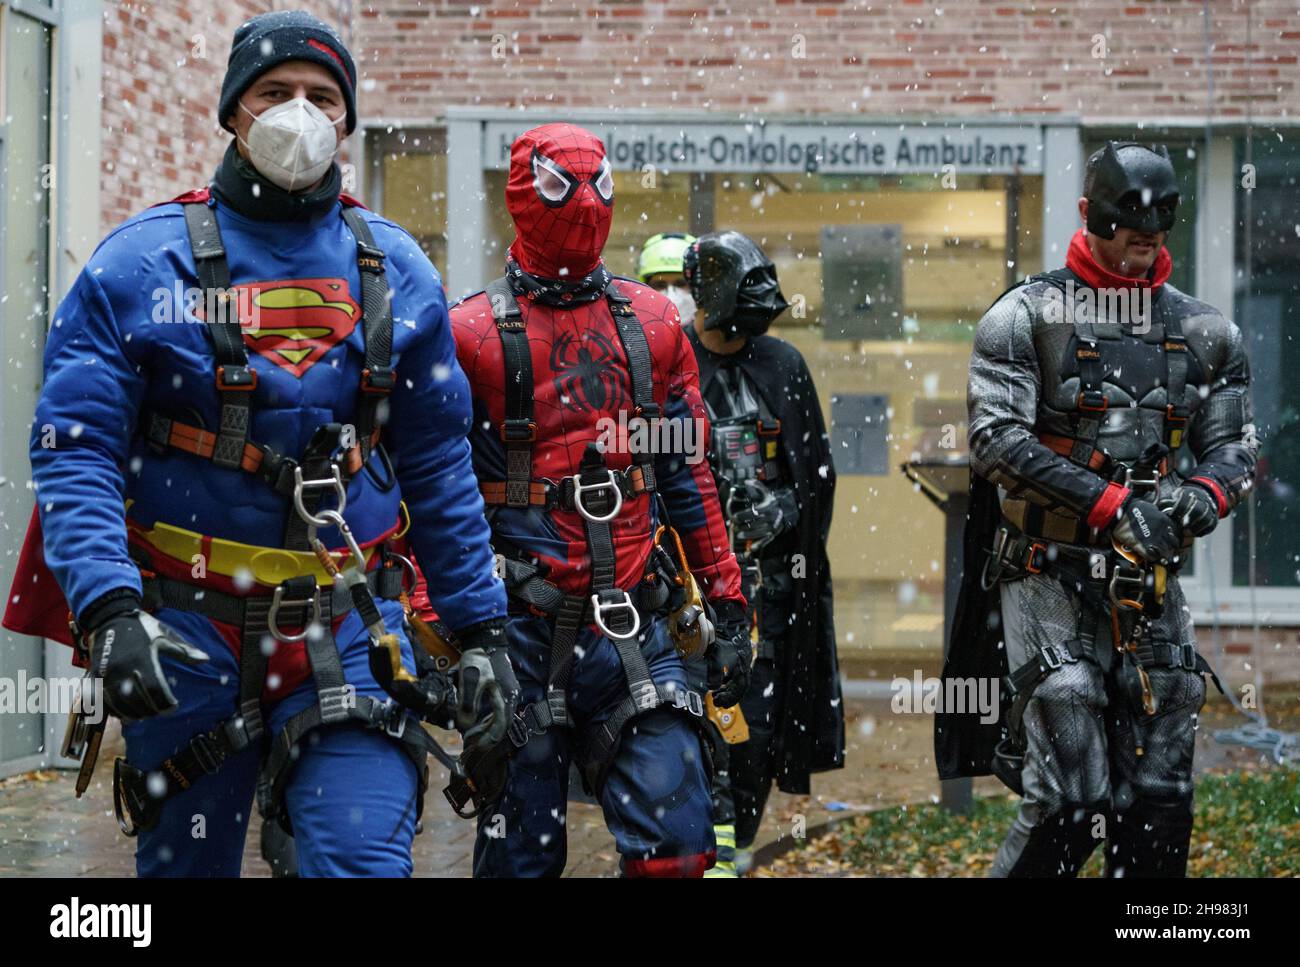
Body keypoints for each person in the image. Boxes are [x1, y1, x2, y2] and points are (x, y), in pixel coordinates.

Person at [2, 10, 512, 877]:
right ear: (233, 113)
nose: (299, 113)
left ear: (347, 120)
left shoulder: (399, 272)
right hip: (186, 636)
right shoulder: (136, 267)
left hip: (350, 632)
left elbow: (438, 463)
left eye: (322, 96)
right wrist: (110, 612)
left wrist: (481, 631)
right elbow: (75, 449)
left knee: (359, 861)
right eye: (275, 93)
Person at [937, 141, 1258, 877]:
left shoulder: (1208, 333)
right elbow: (995, 442)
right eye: (1126, 218)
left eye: (1160, 220)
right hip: (1044, 571)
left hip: (1148, 583)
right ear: (1089, 213)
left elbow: (1236, 449)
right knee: (1071, 791)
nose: (1143, 235)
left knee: (1160, 793)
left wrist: (1199, 498)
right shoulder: (1023, 317)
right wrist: (1113, 505)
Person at [444, 123, 752, 877]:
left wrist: (728, 601)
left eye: (599, 183)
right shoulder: (468, 335)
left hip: (634, 626)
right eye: (560, 185)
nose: (584, 204)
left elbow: (688, 475)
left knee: (678, 851)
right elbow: (435, 494)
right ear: (524, 191)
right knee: (521, 860)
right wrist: (440, 626)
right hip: (517, 630)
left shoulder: (653, 326)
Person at [680, 231, 845, 876]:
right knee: (684, 740)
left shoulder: (782, 366)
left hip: (766, 599)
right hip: (684, 600)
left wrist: (782, 522)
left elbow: (815, 475)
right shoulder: (671, 359)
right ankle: (694, 854)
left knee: (755, 742)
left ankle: (730, 854)